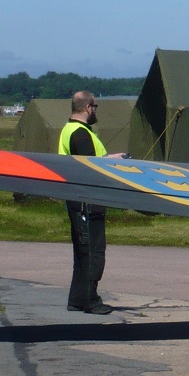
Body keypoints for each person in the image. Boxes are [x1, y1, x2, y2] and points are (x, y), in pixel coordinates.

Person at [58, 90, 125, 314]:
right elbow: (90, 168)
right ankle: (90, 299)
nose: (96, 111)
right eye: (95, 106)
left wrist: (109, 159)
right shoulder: (80, 133)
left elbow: (87, 160)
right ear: (88, 108)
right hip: (87, 200)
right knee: (93, 251)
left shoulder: (70, 129)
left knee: (82, 251)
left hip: (76, 198)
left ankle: (77, 298)